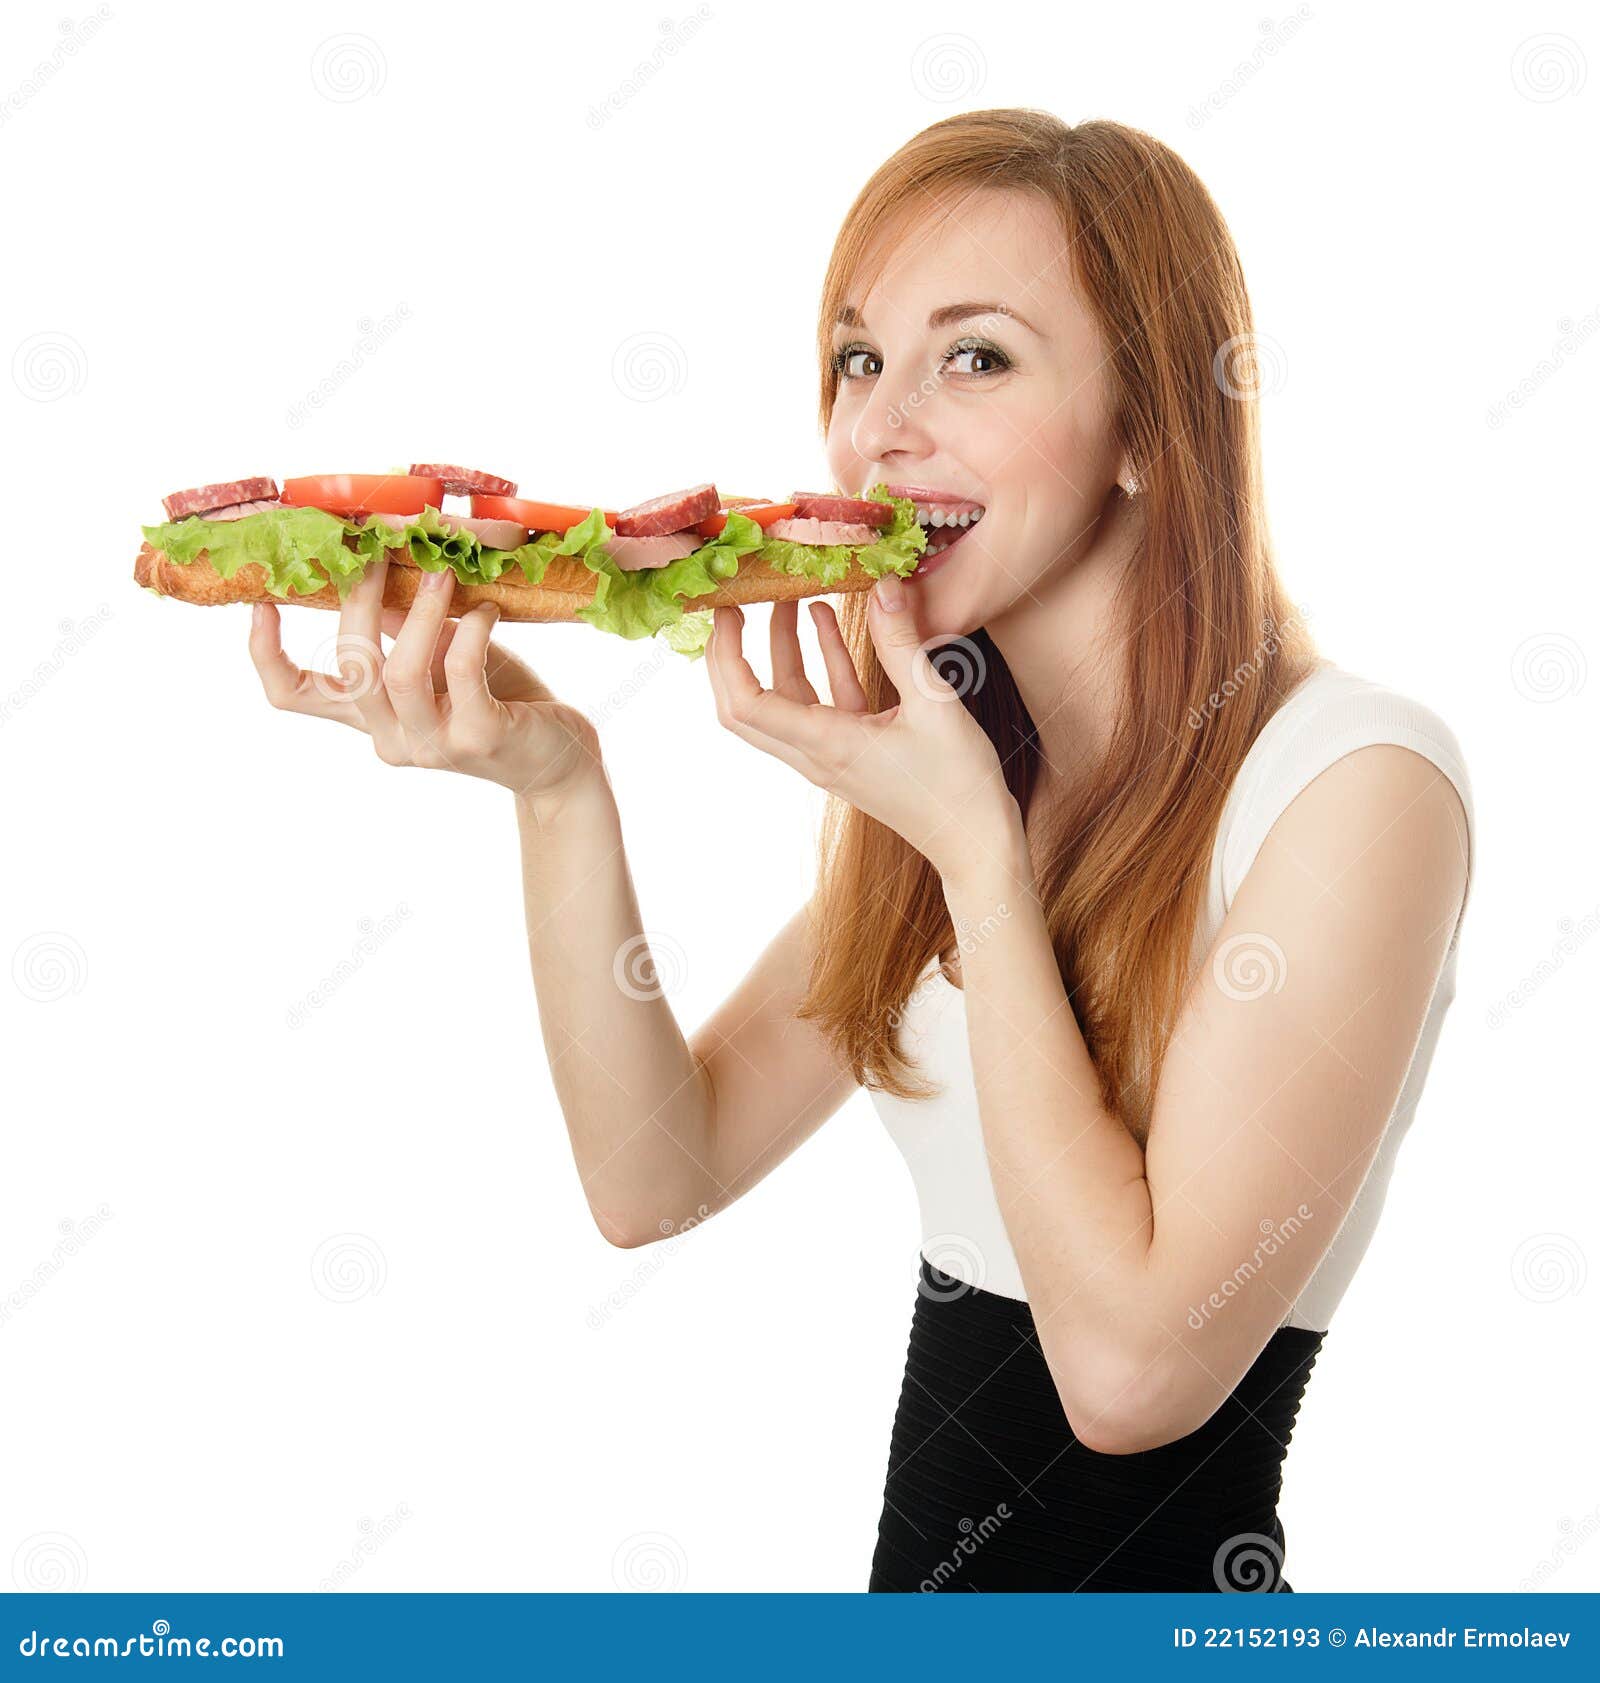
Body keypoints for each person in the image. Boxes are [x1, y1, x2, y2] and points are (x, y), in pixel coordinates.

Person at [249, 109, 1473, 1593]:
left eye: (976, 356)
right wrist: (558, 788)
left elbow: (1133, 1380)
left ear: (1153, 424)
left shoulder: (1355, 783)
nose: (879, 428)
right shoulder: (969, 763)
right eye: (856, 358)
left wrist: (978, 859)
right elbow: (660, 1176)